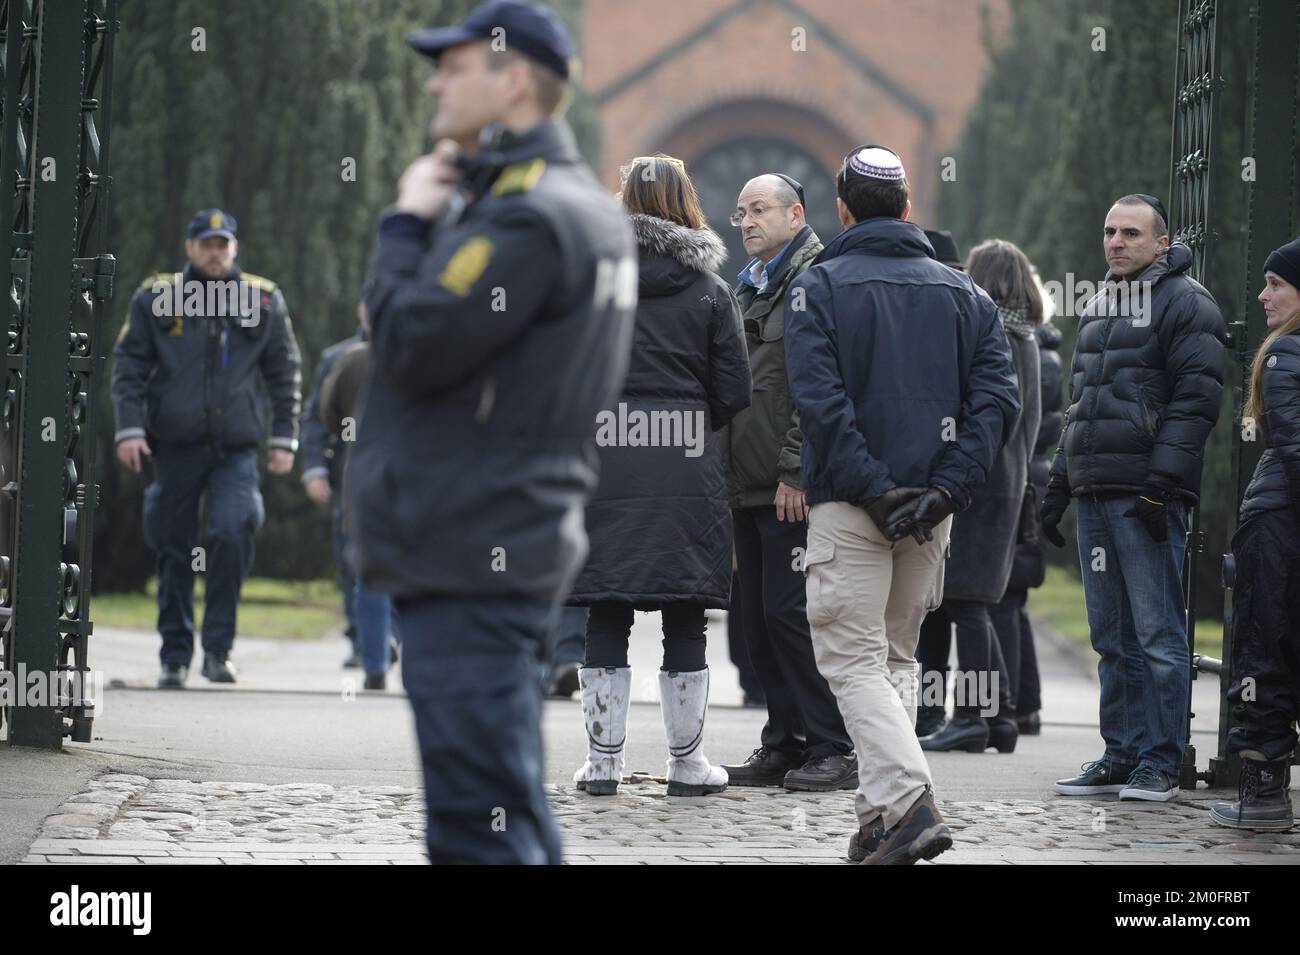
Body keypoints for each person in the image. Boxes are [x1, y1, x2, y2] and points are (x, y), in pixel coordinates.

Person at [347, 0, 636, 864]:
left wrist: (405, 223)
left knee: (478, 826)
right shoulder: (577, 205)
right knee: (507, 809)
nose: (436, 81)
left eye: (455, 65)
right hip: (506, 532)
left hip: (471, 539)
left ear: (513, 79)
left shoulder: (526, 216)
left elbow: (405, 337)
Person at [786, 145, 1019, 865]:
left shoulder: (817, 287)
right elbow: (996, 404)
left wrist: (871, 487)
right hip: (929, 509)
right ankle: (879, 818)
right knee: (891, 661)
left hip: (855, 506)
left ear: (843, 209)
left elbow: (820, 404)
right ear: (910, 208)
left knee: (854, 664)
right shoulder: (966, 294)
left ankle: (911, 803)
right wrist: (946, 488)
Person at [567, 154, 751, 797]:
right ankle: (686, 765)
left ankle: (603, 764)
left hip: (607, 456)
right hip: (684, 461)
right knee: (685, 612)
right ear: (687, 204)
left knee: (606, 606)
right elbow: (734, 390)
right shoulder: (709, 291)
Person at [1043, 194, 1226, 802]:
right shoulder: (1098, 304)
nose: (1116, 242)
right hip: (1096, 492)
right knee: (1110, 636)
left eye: (1130, 233)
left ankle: (1161, 761)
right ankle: (1119, 753)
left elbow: (1196, 402)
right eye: (1109, 231)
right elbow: (1081, 407)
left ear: (1162, 244)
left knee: (1156, 635)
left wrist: (1160, 485)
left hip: (1145, 497)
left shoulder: (1186, 302)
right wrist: (1057, 488)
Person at [111, 208, 302, 689]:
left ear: (234, 248)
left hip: (235, 448)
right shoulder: (159, 297)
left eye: (223, 245)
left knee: (233, 530)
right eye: (206, 244)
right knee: (174, 548)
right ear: (190, 249)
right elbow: (128, 367)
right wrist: (129, 430)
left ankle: (218, 651)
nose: (215, 253)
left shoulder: (261, 299)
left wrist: (284, 438)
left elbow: (284, 371)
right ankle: (174, 656)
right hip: (173, 446)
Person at [720, 172, 858, 793]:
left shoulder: (812, 281)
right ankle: (783, 742)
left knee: (794, 616)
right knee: (758, 620)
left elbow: (817, 387)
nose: (747, 222)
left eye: (759, 210)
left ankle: (831, 744)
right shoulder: (750, 285)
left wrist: (796, 469)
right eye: (740, 213)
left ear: (796, 213)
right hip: (745, 483)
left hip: (788, 485)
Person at [918, 239, 1042, 754]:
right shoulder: (1026, 337)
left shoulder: (999, 337)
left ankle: (973, 716)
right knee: (973, 603)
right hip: (1006, 481)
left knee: (965, 603)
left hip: (980, 482)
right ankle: (996, 715)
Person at [1210, 236, 1300, 830]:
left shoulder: (1284, 355)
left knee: (1263, 652)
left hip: (1277, 528)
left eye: (1276, 285)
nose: (1263, 295)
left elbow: (1295, 448)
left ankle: (1264, 796)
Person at [318, 301, 400, 691]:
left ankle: (374, 661)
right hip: (421, 474)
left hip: (364, 471)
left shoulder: (353, 360)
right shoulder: (435, 355)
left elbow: (328, 414)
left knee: (368, 570)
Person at [301, 323, 363, 668]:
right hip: (347, 473)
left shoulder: (415, 348)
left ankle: (387, 636)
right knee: (351, 556)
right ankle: (362, 639)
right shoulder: (339, 357)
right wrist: (315, 468)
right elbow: (318, 417)